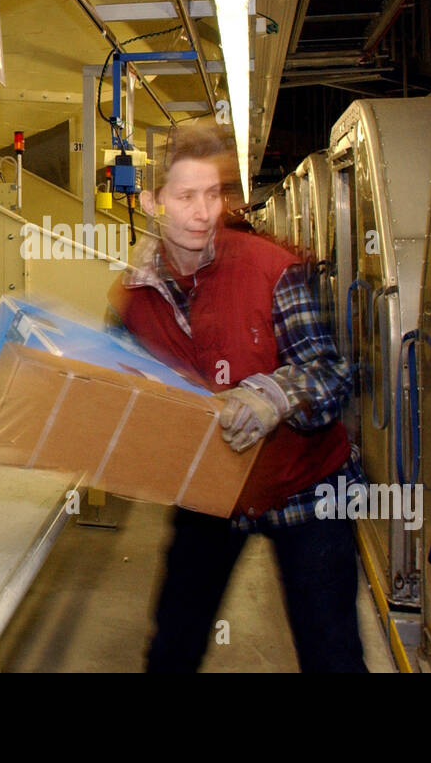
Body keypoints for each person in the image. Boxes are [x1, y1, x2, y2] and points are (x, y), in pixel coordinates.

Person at [108, 125, 368, 673]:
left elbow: (330, 371)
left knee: (332, 653)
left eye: (212, 194)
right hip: (211, 497)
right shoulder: (133, 300)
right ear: (153, 202)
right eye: (185, 197)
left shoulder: (270, 268)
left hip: (307, 487)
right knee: (173, 647)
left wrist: (273, 396)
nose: (203, 212)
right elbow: (123, 392)